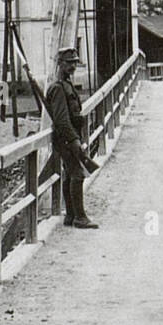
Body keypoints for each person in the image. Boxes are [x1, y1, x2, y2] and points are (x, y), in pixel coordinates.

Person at [45, 47, 100, 228]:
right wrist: (75, 140)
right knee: (77, 174)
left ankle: (70, 215)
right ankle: (80, 217)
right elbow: (61, 119)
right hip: (67, 138)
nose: (73, 66)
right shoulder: (58, 88)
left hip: (69, 137)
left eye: (75, 62)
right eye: (69, 63)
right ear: (60, 64)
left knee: (70, 174)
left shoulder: (66, 85)